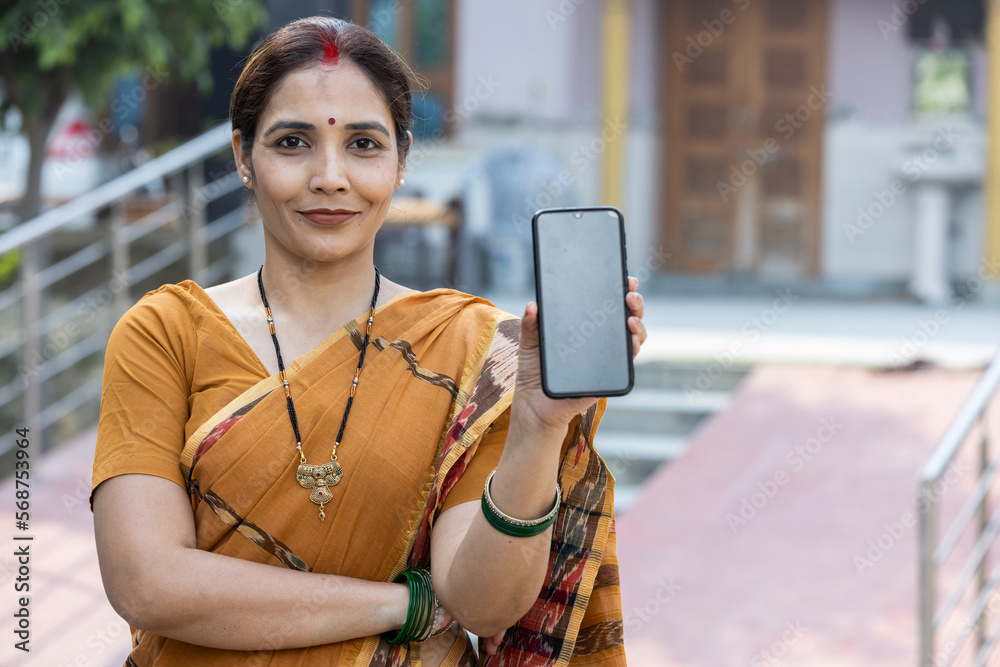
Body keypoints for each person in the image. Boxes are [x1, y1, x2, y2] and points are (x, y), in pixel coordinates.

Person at [90, 16, 647, 667]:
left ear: (402, 160)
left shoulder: (467, 348)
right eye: (293, 142)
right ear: (243, 156)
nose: (330, 176)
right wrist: (405, 605)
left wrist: (537, 427)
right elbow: (146, 582)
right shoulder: (164, 333)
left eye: (363, 144)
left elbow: (484, 604)